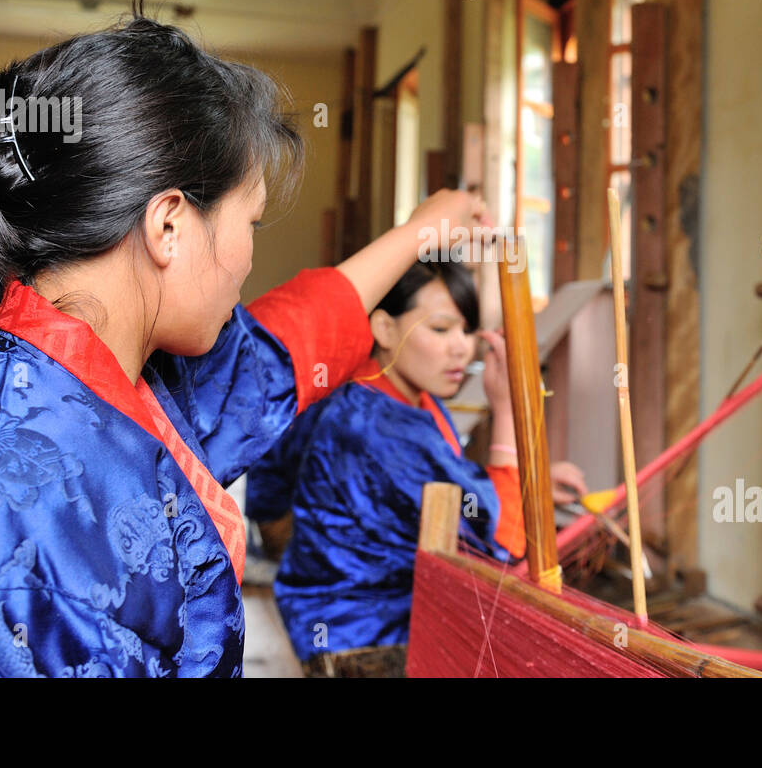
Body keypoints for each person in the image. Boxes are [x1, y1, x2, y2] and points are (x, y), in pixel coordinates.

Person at [0, 7, 486, 678]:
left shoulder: (92, 377)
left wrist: (417, 234)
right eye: (250, 220)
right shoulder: (31, 506)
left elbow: (276, 350)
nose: (247, 258)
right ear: (169, 223)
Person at [246, 259, 587, 677]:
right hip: (362, 641)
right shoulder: (377, 426)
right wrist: (506, 412)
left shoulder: (381, 391)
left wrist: (534, 485)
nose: (461, 347)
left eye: (466, 330)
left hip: (325, 612)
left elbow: (438, 486)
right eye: (441, 329)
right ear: (384, 329)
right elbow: (499, 543)